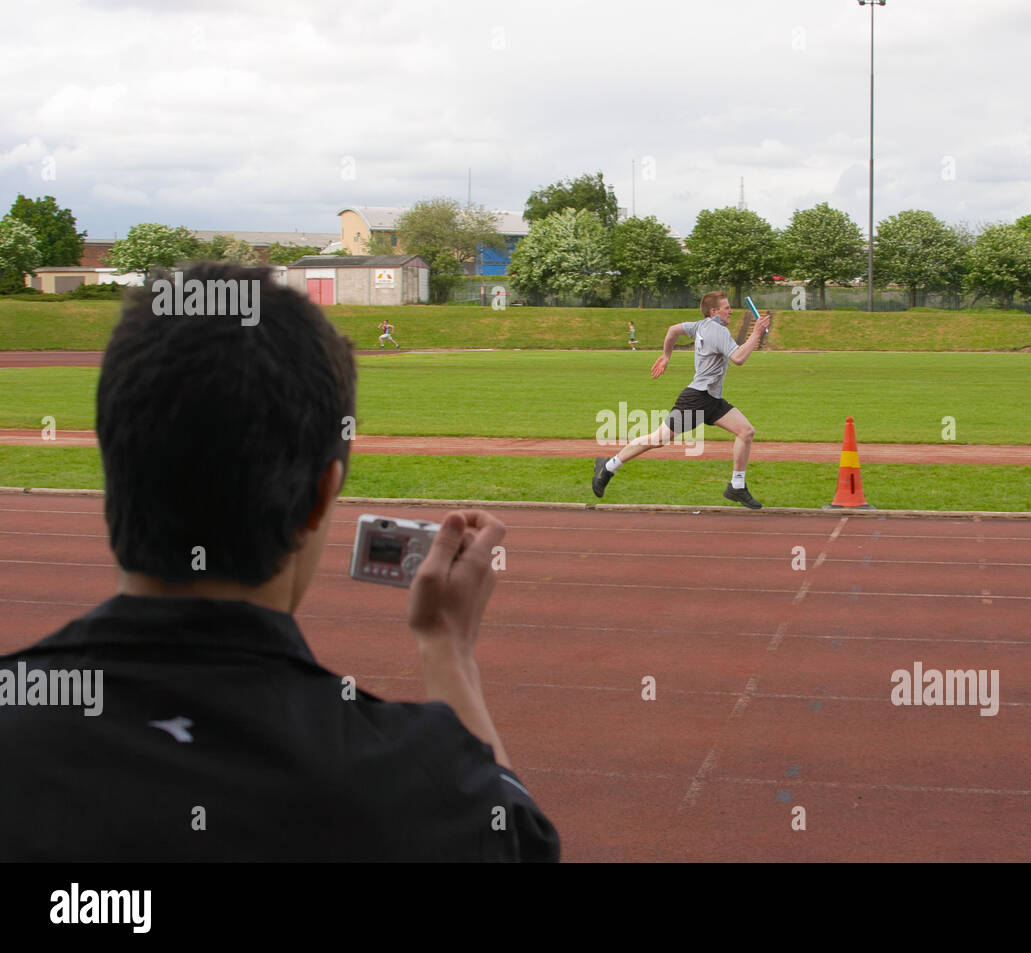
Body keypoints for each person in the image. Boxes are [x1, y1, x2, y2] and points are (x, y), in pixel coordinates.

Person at [0, 262, 559, 862]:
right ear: (322, 493)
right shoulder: (413, 781)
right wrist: (449, 652)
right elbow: (514, 839)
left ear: (117, 465)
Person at [592, 291, 771, 509]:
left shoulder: (699, 326)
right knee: (659, 439)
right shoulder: (717, 331)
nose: (730, 311)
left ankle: (737, 486)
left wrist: (667, 355)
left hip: (711, 399)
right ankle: (608, 466)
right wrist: (757, 332)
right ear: (714, 311)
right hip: (696, 400)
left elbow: (672, 330)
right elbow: (739, 358)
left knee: (746, 431)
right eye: (726, 308)